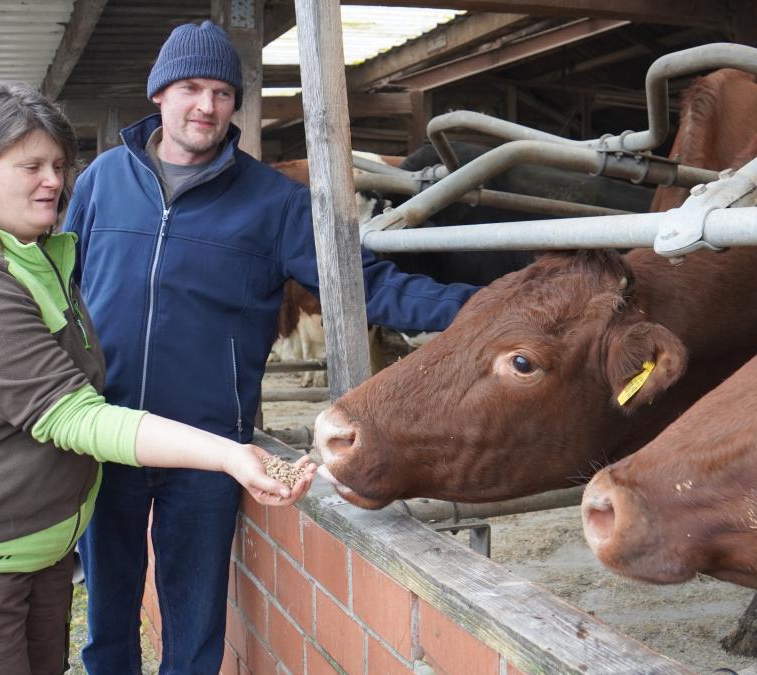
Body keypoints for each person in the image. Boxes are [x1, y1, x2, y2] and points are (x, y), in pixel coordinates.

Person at [65, 19, 478, 674]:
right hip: (108, 434)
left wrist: (482, 309)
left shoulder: (274, 203)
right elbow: (60, 290)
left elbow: (364, 286)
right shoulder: (100, 183)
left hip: (210, 448)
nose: (206, 106)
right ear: (159, 93)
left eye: (223, 93)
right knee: (107, 623)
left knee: (194, 630)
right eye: (191, 88)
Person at [0, 82, 315, 675]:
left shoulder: (43, 261)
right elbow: (71, 413)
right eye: (31, 166)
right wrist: (228, 454)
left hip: (33, 552)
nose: (53, 182)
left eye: (59, 165)